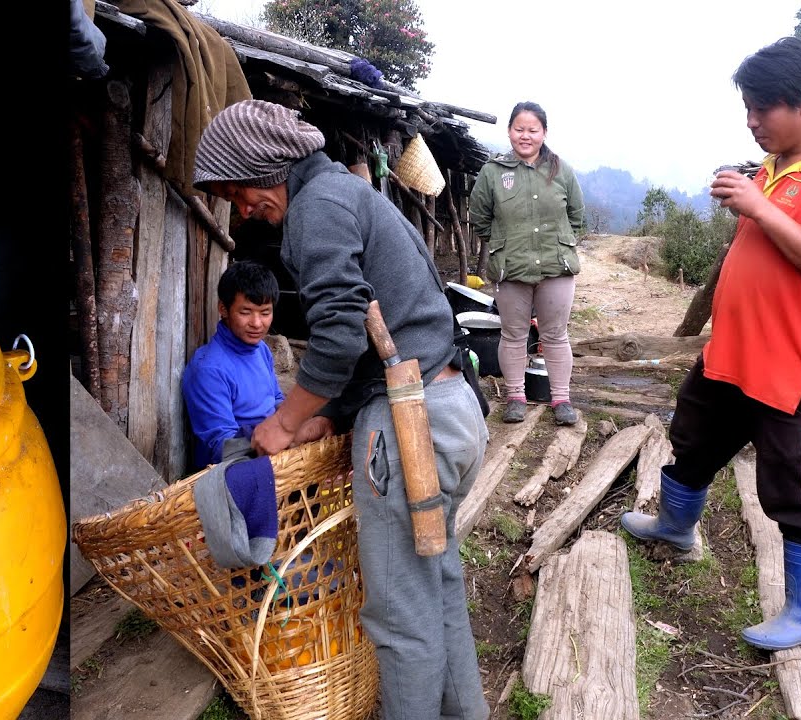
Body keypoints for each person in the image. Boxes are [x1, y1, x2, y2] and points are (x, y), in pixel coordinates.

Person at [193, 99, 490, 720]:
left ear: (265, 162)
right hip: (452, 403)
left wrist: (285, 421)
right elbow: (384, 325)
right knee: (436, 584)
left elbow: (337, 336)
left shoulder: (318, 208)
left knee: (398, 612)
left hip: (411, 420)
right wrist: (330, 415)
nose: (243, 209)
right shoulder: (348, 195)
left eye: (239, 190)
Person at [621, 37, 801, 652]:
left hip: (793, 369)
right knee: (692, 438)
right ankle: (676, 529)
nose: (752, 120)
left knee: (796, 485)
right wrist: (757, 200)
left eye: (763, 108)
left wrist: (759, 207)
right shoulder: (772, 168)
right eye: (748, 108)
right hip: (731, 354)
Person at [468, 101, 586, 427]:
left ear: (543, 133)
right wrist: (505, 243)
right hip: (511, 267)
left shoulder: (561, 170)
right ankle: (516, 396)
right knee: (514, 334)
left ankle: (560, 398)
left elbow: (576, 215)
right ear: (509, 131)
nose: (525, 136)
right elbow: (479, 218)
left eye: (532, 130)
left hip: (556, 266)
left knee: (556, 335)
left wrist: (560, 242)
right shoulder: (492, 172)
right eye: (519, 129)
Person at [181, 260, 286, 470]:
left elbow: (275, 399)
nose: (257, 324)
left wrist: (294, 424)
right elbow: (222, 446)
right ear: (223, 309)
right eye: (245, 312)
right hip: (237, 471)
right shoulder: (209, 369)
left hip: (275, 454)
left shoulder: (261, 350)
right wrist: (274, 435)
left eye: (265, 313)